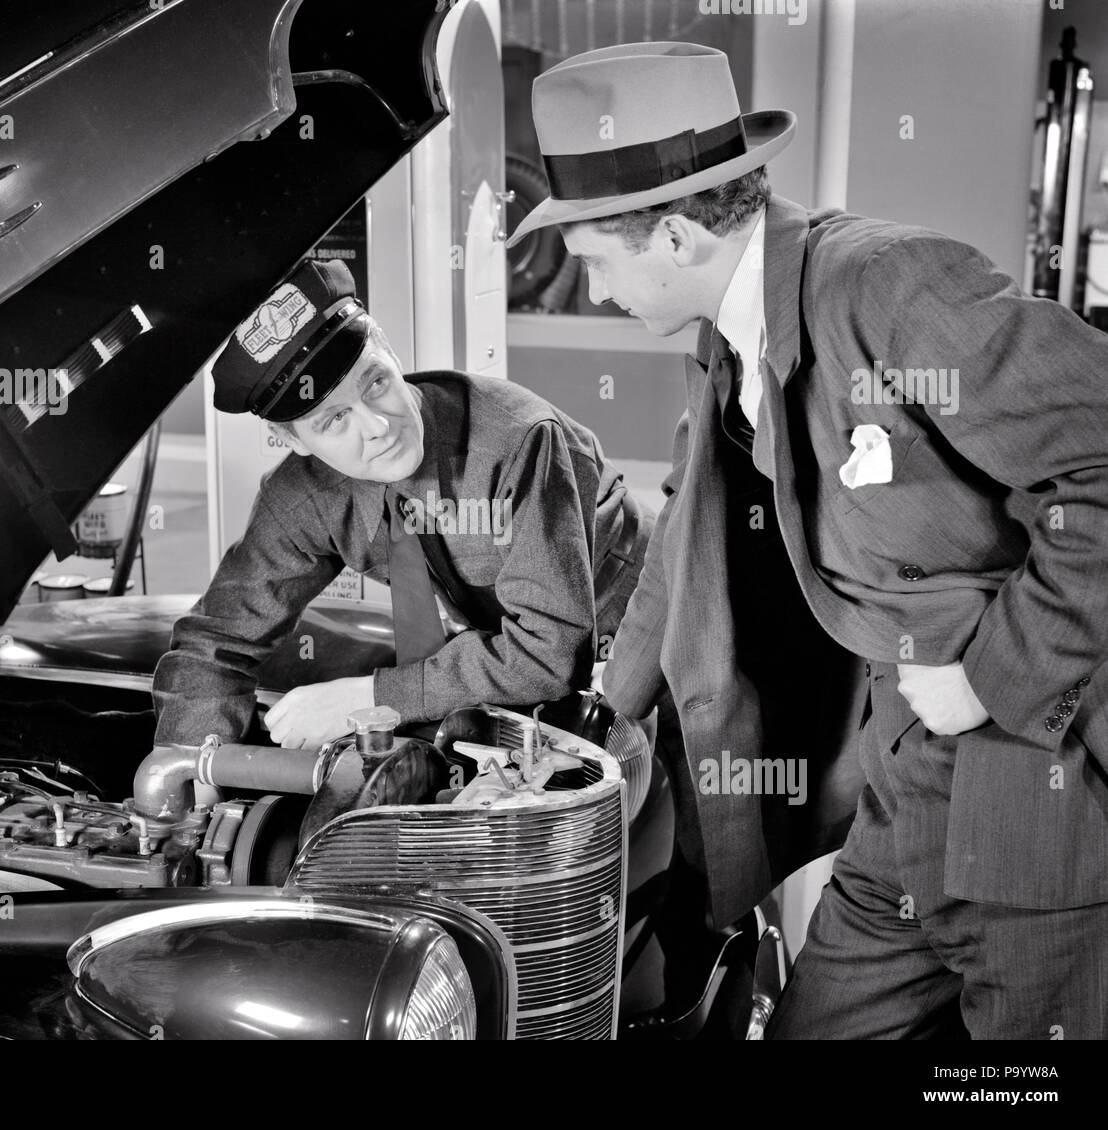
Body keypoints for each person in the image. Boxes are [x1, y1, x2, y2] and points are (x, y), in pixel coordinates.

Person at [508, 41, 1108, 1039]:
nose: (593, 290)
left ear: (667, 237)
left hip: (1033, 787)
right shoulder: (725, 333)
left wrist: (990, 677)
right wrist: (588, 726)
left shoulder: (888, 287)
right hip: (901, 778)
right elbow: (682, 537)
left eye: (593, 261)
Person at [152, 258, 651, 751]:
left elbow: (548, 652)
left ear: (390, 352)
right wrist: (186, 769)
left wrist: (367, 698)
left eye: (376, 384)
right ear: (291, 438)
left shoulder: (513, 442)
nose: (378, 426)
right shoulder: (302, 496)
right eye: (334, 420)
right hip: (504, 647)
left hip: (645, 620)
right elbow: (214, 642)